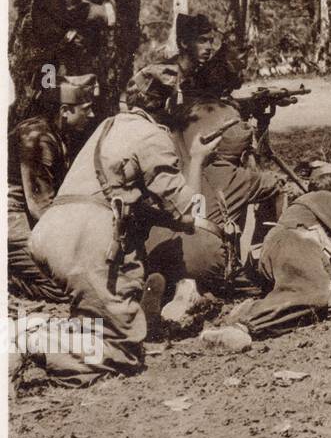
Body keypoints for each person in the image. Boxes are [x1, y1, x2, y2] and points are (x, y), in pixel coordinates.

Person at [22, 66, 220, 386]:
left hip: (51, 232)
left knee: (95, 323)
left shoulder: (107, 126)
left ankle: (40, 337)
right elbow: (184, 211)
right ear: (169, 105)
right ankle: (25, 343)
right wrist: (197, 161)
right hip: (87, 238)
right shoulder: (153, 135)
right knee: (123, 350)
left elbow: (132, 198)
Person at [199, 162, 331, 350]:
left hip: (280, 250)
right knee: (309, 292)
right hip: (295, 242)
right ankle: (242, 326)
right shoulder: (326, 198)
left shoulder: (306, 204)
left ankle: (253, 308)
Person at [144, 114, 286, 329]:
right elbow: (278, 184)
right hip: (202, 250)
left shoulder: (186, 165)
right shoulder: (243, 177)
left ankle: (174, 288)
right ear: (245, 153)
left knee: (175, 266)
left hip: (161, 246)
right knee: (236, 287)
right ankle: (195, 293)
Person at [8, 75, 98, 301]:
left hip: (27, 220)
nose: (92, 115)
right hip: (14, 220)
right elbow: (39, 207)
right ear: (65, 110)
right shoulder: (39, 139)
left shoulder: (55, 134)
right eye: (86, 109)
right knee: (64, 287)